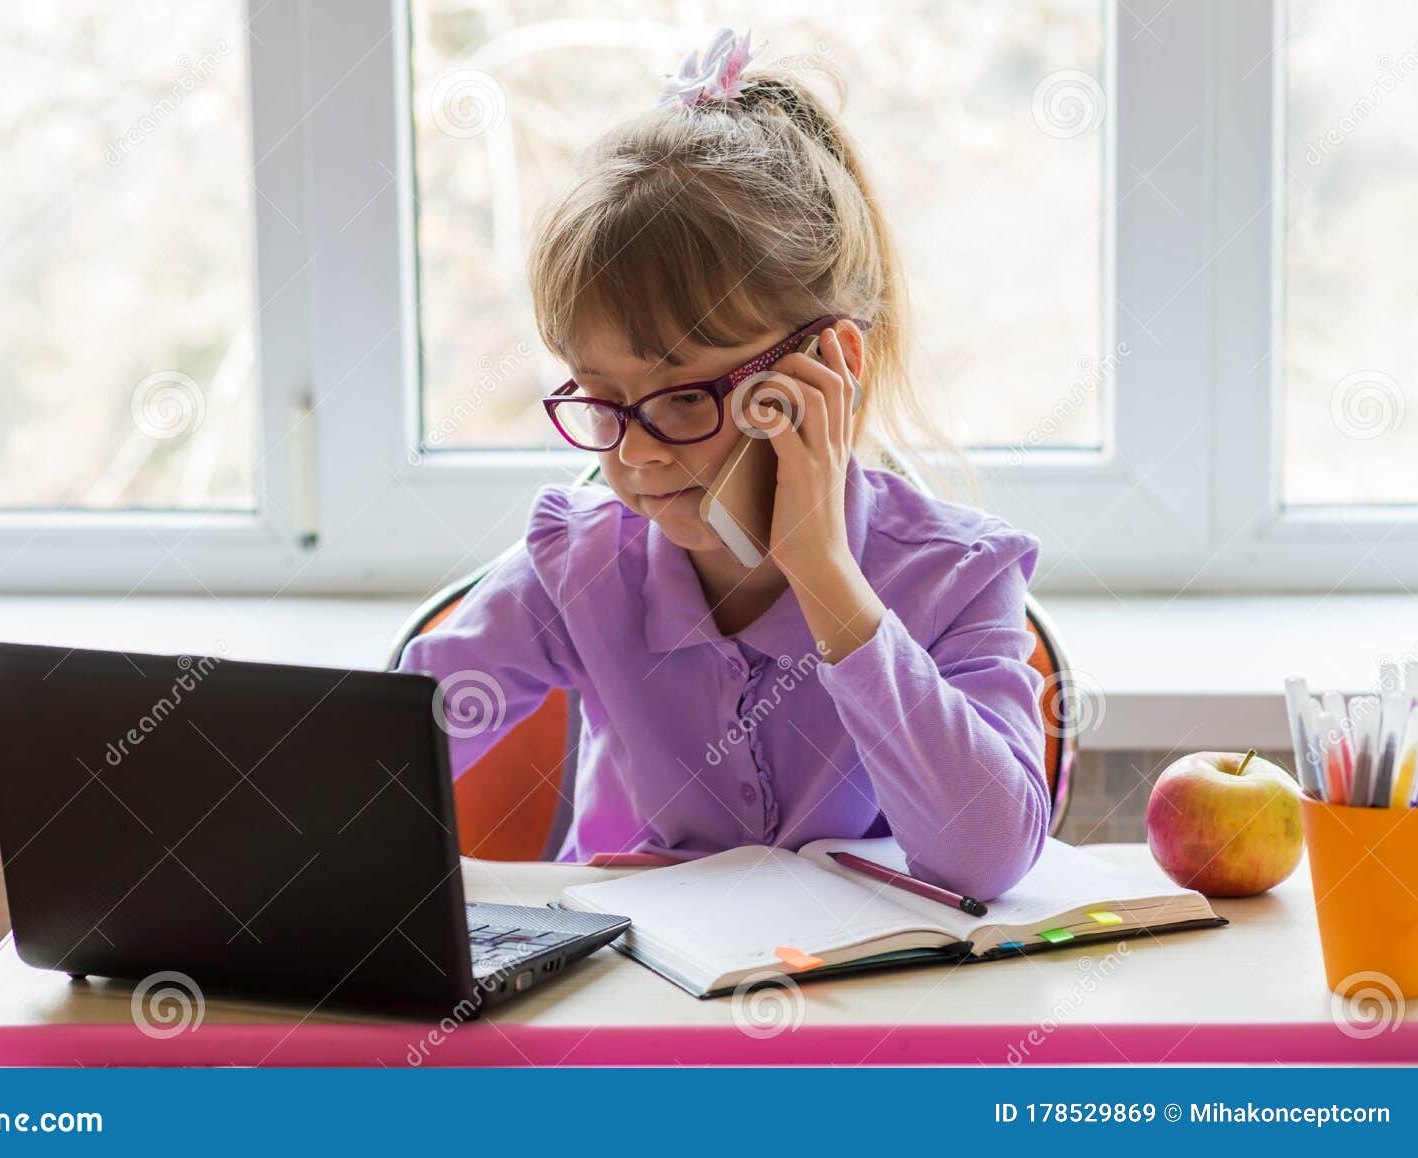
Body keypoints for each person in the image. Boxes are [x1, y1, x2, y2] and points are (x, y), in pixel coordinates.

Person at [398, 29, 1048, 899]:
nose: (632, 452)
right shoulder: (581, 567)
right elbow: (364, 779)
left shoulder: (958, 578)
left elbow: (988, 857)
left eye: (682, 398)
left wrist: (825, 577)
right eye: (601, 400)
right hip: (626, 1008)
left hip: (868, 1022)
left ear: (831, 369)